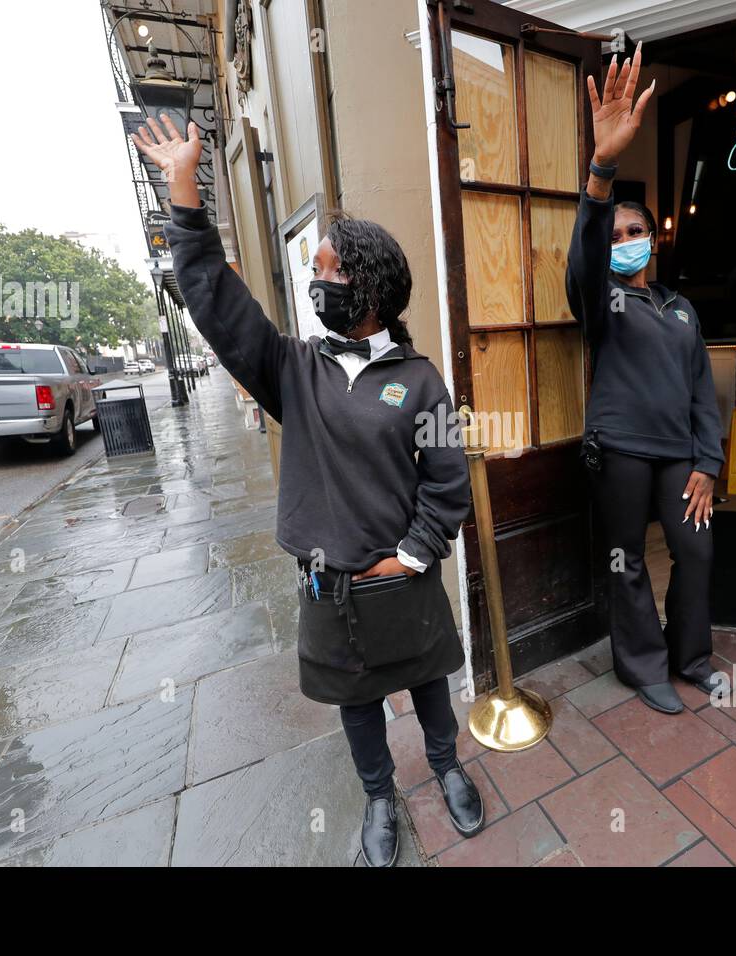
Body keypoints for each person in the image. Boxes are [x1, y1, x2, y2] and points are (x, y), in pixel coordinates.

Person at [133, 114, 484, 867]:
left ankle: (449, 767)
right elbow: (218, 306)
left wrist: (414, 558)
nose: (316, 283)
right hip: (331, 584)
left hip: (402, 580)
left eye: (328, 272)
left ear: (371, 288)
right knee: (356, 701)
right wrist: (184, 190)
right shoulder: (292, 367)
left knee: (428, 682)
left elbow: (447, 483)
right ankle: (381, 797)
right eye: (315, 270)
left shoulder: (421, 381)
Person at [566, 44, 731, 715]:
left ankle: (691, 657)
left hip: (680, 459)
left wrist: (709, 461)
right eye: (617, 231)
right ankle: (643, 665)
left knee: (696, 551)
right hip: (622, 452)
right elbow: (583, 256)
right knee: (625, 559)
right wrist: (603, 168)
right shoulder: (599, 298)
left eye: (638, 230)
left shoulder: (680, 306)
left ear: (654, 239)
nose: (625, 238)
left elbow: (701, 390)